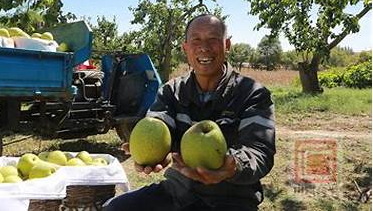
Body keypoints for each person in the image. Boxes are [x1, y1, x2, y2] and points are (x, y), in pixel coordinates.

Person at [103, 14, 276, 211]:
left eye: (213, 39)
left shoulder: (251, 93)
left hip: (233, 198)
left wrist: (233, 165)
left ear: (227, 45)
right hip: (178, 192)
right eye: (196, 40)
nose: (204, 47)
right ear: (185, 48)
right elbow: (157, 124)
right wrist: (156, 153)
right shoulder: (172, 91)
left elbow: (260, 150)